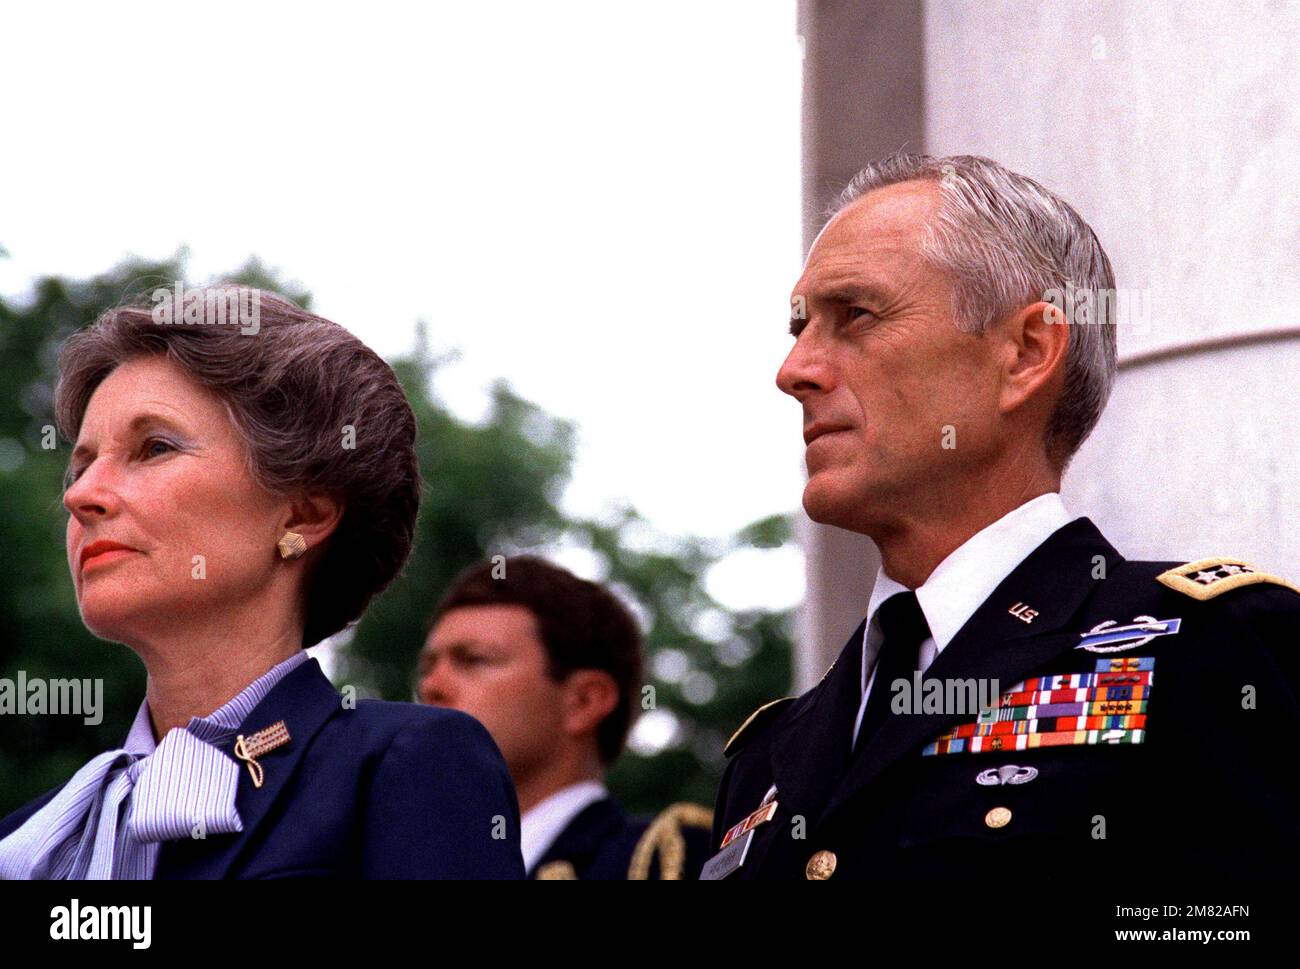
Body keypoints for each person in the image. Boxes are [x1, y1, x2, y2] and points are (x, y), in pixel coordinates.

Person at [706, 153, 1300, 881]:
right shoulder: (771, 750)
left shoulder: (1207, 647)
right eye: (800, 328)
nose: (794, 370)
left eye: (854, 315)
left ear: (1025, 353)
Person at [0, 288, 523, 879]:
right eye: (82, 464)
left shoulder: (407, 766)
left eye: (155, 448)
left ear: (302, 517)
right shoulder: (31, 836)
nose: (79, 494)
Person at [418, 555, 712, 879]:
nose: (430, 686)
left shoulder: (659, 861)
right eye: (427, 667)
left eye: (473, 660)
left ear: (584, 702)